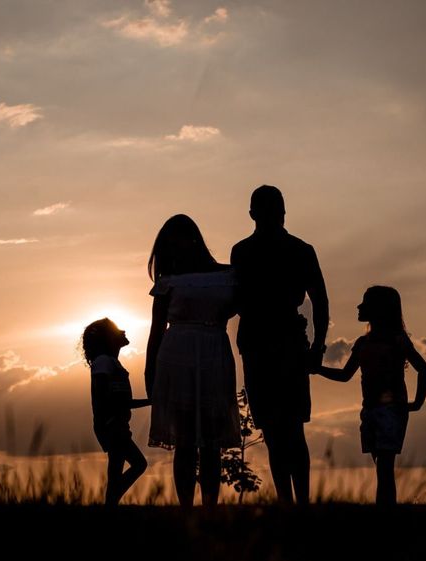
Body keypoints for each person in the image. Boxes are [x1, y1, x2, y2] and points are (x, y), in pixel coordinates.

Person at [230, 185, 328, 504]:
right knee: (275, 431)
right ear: (254, 214)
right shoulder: (243, 252)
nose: (276, 214)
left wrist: (317, 347)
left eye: (277, 208)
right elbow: (236, 295)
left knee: (288, 428)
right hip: (262, 344)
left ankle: (297, 502)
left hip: (284, 344)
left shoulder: (299, 250)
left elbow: (320, 300)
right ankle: (290, 502)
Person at [145, 214, 241, 507]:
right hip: (177, 358)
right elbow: (156, 330)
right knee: (185, 440)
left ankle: (210, 507)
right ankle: (186, 507)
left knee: (211, 441)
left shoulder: (228, 275)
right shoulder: (168, 282)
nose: (176, 248)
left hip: (214, 354)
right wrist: (150, 372)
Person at [313, 286, 426, 505]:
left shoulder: (397, 340)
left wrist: (417, 404)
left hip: (391, 410)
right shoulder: (362, 343)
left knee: (385, 467)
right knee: (382, 467)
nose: (359, 306)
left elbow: (423, 369)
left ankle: (384, 514)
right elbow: (345, 375)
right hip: (370, 411)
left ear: (380, 309)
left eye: (365, 303)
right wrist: (318, 369)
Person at [83, 317, 150, 505]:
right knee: (138, 464)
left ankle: (110, 505)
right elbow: (106, 398)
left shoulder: (109, 362)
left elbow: (121, 401)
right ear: (108, 338)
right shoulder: (104, 362)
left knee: (117, 470)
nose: (123, 331)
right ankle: (110, 502)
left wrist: (151, 401)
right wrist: (111, 421)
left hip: (115, 424)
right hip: (112, 426)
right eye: (117, 329)